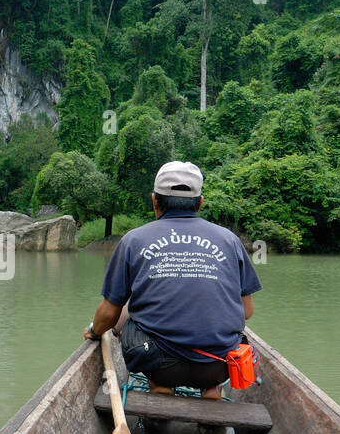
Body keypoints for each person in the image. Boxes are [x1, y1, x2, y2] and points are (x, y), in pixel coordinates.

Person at [83, 161, 261, 399]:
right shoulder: (229, 240)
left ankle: (159, 386)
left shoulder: (134, 240)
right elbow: (246, 312)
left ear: (155, 201)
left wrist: (95, 331)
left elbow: (109, 312)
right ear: (200, 202)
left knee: (126, 313)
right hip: (218, 364)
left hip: (158, 362)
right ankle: (212, 389)